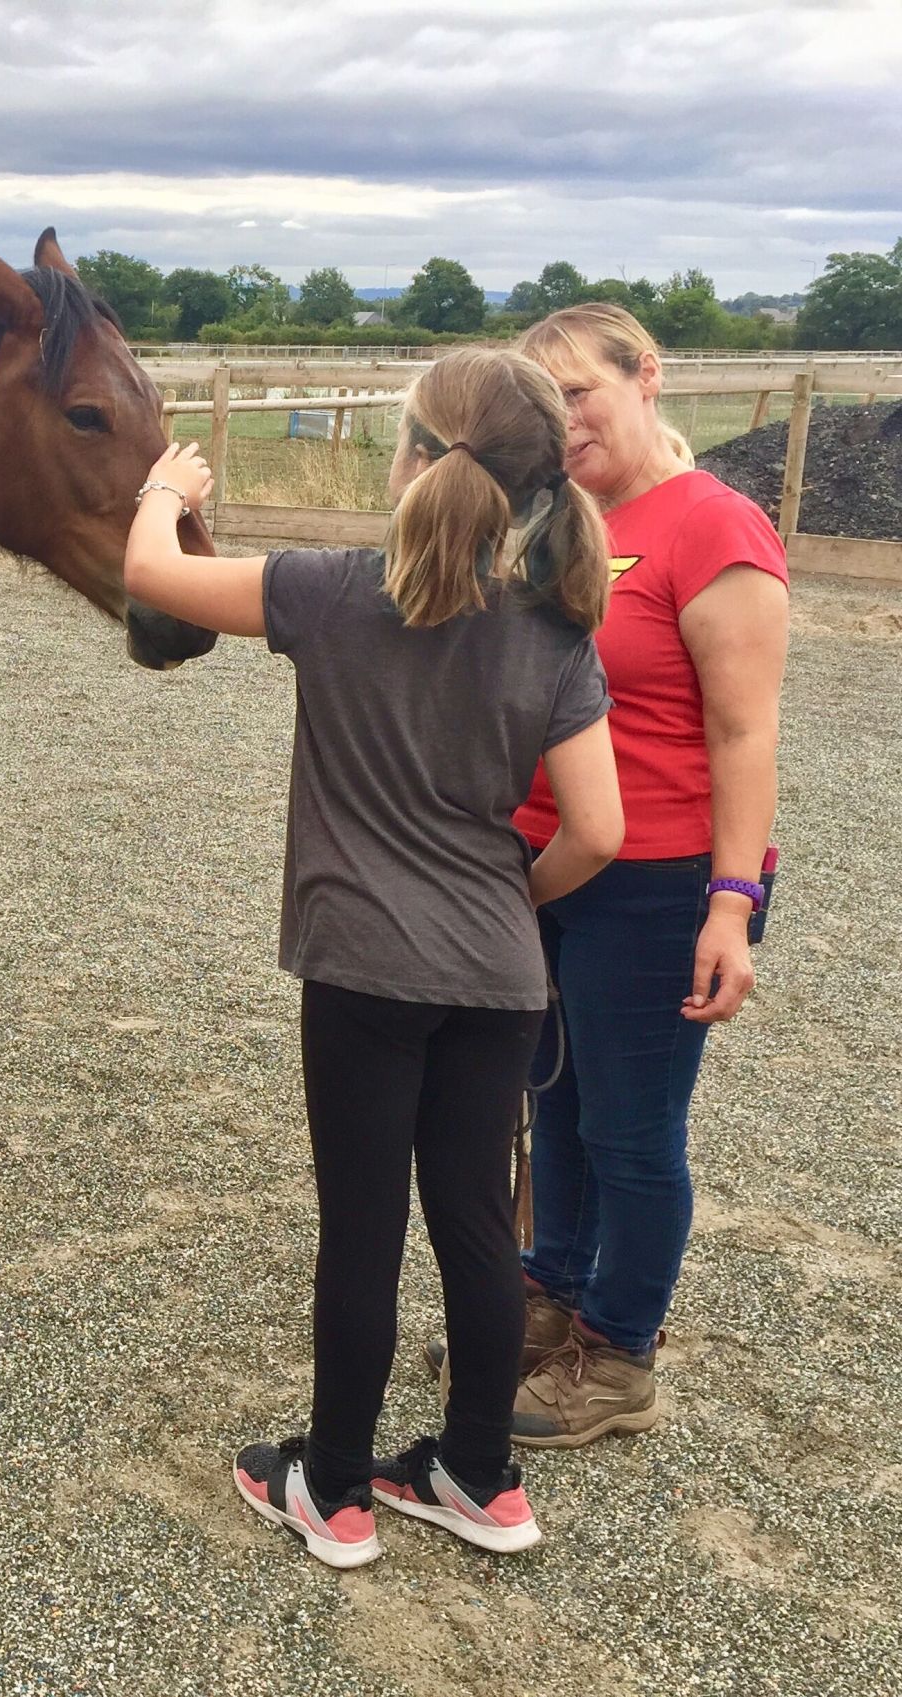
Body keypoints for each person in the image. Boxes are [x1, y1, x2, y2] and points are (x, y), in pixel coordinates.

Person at [122, 348, 623, 1568]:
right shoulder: (557, 628)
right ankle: (476, 1473)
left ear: (414, 459)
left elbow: (151, 578)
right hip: (496, 977)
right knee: (472, 1223)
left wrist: (163, 487)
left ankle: (335, 1484)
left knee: (361, 1228)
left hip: (363, 968)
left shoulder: (336, 592)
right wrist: (511, 892)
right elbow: (599, 830)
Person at [491, 304, 790, 1447]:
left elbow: (743, 734)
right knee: (553, 1104)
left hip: (658, 875)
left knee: (631, 1127)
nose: (564, 423)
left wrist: (733, 900)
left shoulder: (715, 528)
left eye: (579, 393)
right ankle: (551, 1295)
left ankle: (618, 1352)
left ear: (647, 376)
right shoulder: (561, 521)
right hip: (552, 863)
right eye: (542, 402)